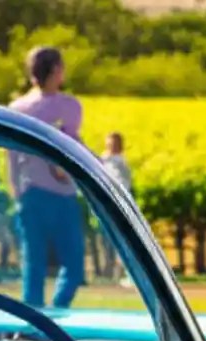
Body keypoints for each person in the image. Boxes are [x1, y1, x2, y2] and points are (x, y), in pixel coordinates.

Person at [7, 45, 86, 308]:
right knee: (73, 266)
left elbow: (11, 158)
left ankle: (33, 325)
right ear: (55, 71)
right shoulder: (70, 107)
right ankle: (57, 314)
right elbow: (74, 146)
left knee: (34, 267)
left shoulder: (16, 109)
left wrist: (16, 194)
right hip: (62, 194)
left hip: (30, 193)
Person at [98, 130, 132, 280]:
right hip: (105, 204)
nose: (109, 146)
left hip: (119, 205)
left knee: (121, 239)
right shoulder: (103, 159)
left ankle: (122, 272)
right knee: (106, 239)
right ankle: (109, 271)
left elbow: (123, 183)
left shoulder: (120, 162)